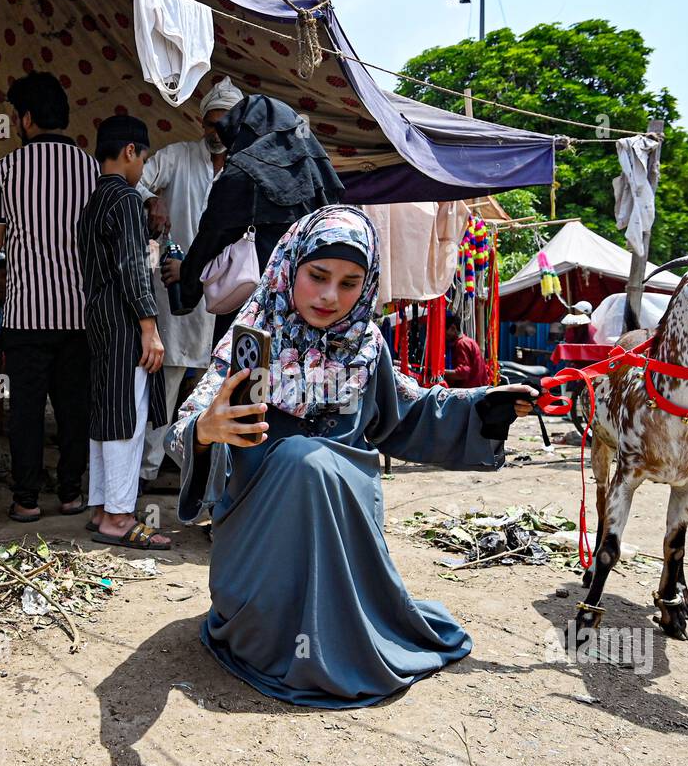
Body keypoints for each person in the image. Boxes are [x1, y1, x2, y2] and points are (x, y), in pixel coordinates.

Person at [167, 206, 536, 708]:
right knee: (304, 460)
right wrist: (205, 432)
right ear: (288, 266)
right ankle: (275, 628)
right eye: (317, 276)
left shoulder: (366, 345)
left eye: (349, 283)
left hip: (344, 524)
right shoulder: (250, 344)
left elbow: (409, 413)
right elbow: (186, 425)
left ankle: (348, 627)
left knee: (314, 463)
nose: (330, 297)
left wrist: (482, 406)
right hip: (259, 537)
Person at [0, 72, 99, 522]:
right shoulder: (93, 169)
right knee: (75, 407)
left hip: (26, 316)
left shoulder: (6, 171)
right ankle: (72, 494)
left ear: (28, 118)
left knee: (27, 411)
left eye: (16, 115)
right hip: (80, 315)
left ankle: (26, 499)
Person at [133, 77, 242, 488]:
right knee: (167, 381)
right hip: (177, 288)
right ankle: (146, 471)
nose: (217, 133)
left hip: (226, 291)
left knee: (218, 384)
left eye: (225, 125)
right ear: (201, 123)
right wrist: (151, 199)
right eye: (211, 124)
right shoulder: (178, 157)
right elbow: (137, 177)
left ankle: (203, 474)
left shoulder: (244, 167)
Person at [177, 94, 343, 347]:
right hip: (305, 308)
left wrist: (186, 287)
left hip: (251, 309)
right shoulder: (317, 178)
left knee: (243, 379)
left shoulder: (240, 175)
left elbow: (211, 235)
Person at [77, 116, 172, 551]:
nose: (143, 167)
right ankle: (118, 516)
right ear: (131, 151)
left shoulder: (93, 200)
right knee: (126, 416)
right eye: (144, 156)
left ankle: (102, 507)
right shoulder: (127, 199)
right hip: (124, 319)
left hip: (97, 316)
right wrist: (149, 327)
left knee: (105, 411)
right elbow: (134, 267)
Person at [443, 311, 490, 387]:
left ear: (453, 328)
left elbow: (463, 373)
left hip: (473, 392)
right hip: (479, 389)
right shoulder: (468, 341)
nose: (445, 337)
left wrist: (441, 373)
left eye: (446, 334)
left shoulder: (462, 344)